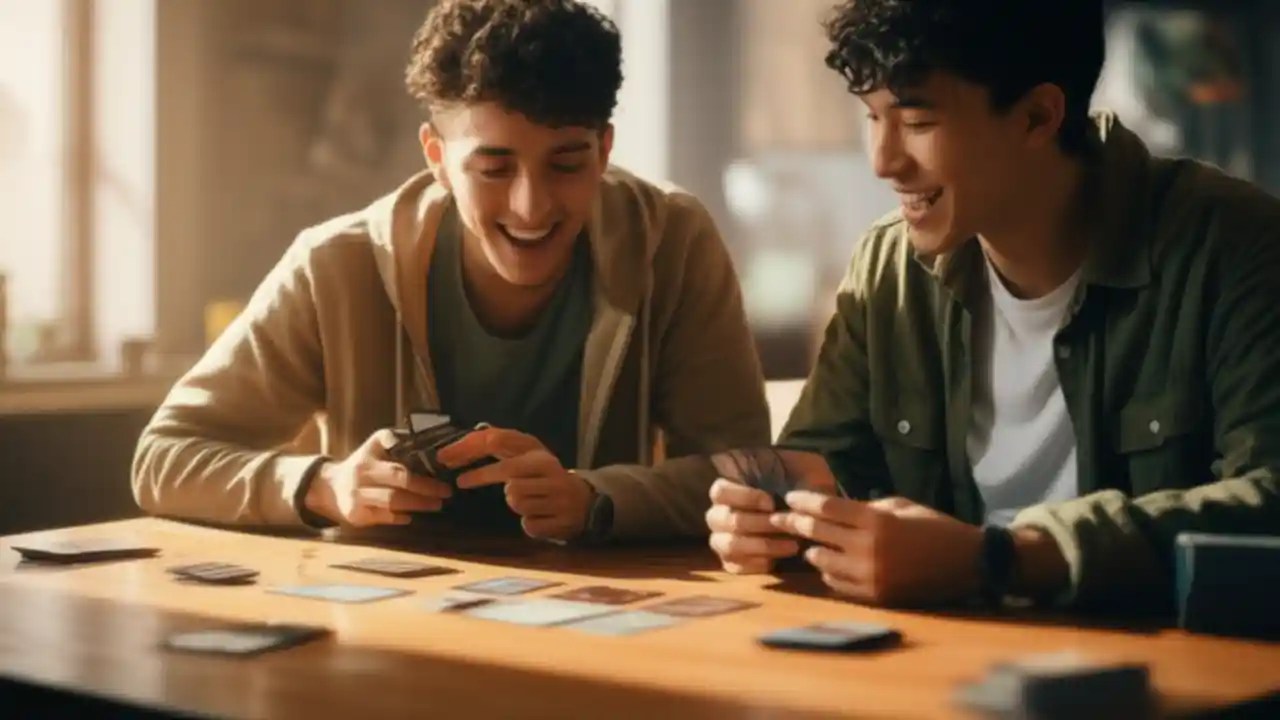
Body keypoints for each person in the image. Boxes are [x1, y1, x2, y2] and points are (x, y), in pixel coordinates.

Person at [707, 0, 1280, 613]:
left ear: (1037, 116)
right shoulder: (888, 268)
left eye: (918, 123)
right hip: (941, 660)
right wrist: (772, 520)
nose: (884, 161)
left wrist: (1004, 559)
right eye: (872, 118)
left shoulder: (1235, 246)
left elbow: (1268, 498)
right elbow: (822, 463)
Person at [133, 0, 768, 544]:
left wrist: (595, 499)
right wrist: (324, 485)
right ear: (436, 157)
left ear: (604, 148)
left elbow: (750, 472)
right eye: (494, 169)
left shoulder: (672, 240)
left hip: (608, 618)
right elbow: (164, 459)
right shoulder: (337, 264)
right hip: (388, 627)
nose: (531, 206)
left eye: (567, 164)